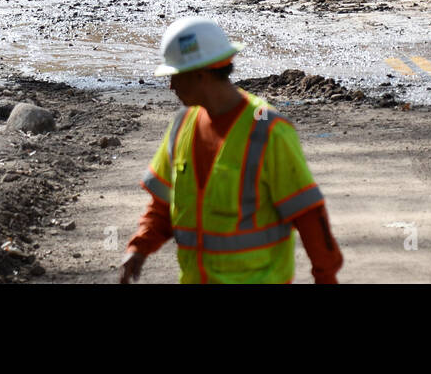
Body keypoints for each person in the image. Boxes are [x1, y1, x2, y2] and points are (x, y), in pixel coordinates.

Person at [120, 16, 342, 284]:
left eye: (175, 76)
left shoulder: (268, 130)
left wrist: (326, 275)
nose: (170, 86)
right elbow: (164, 203)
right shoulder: (182, 125)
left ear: (200, 74)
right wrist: (139, 246)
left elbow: (308, 214)